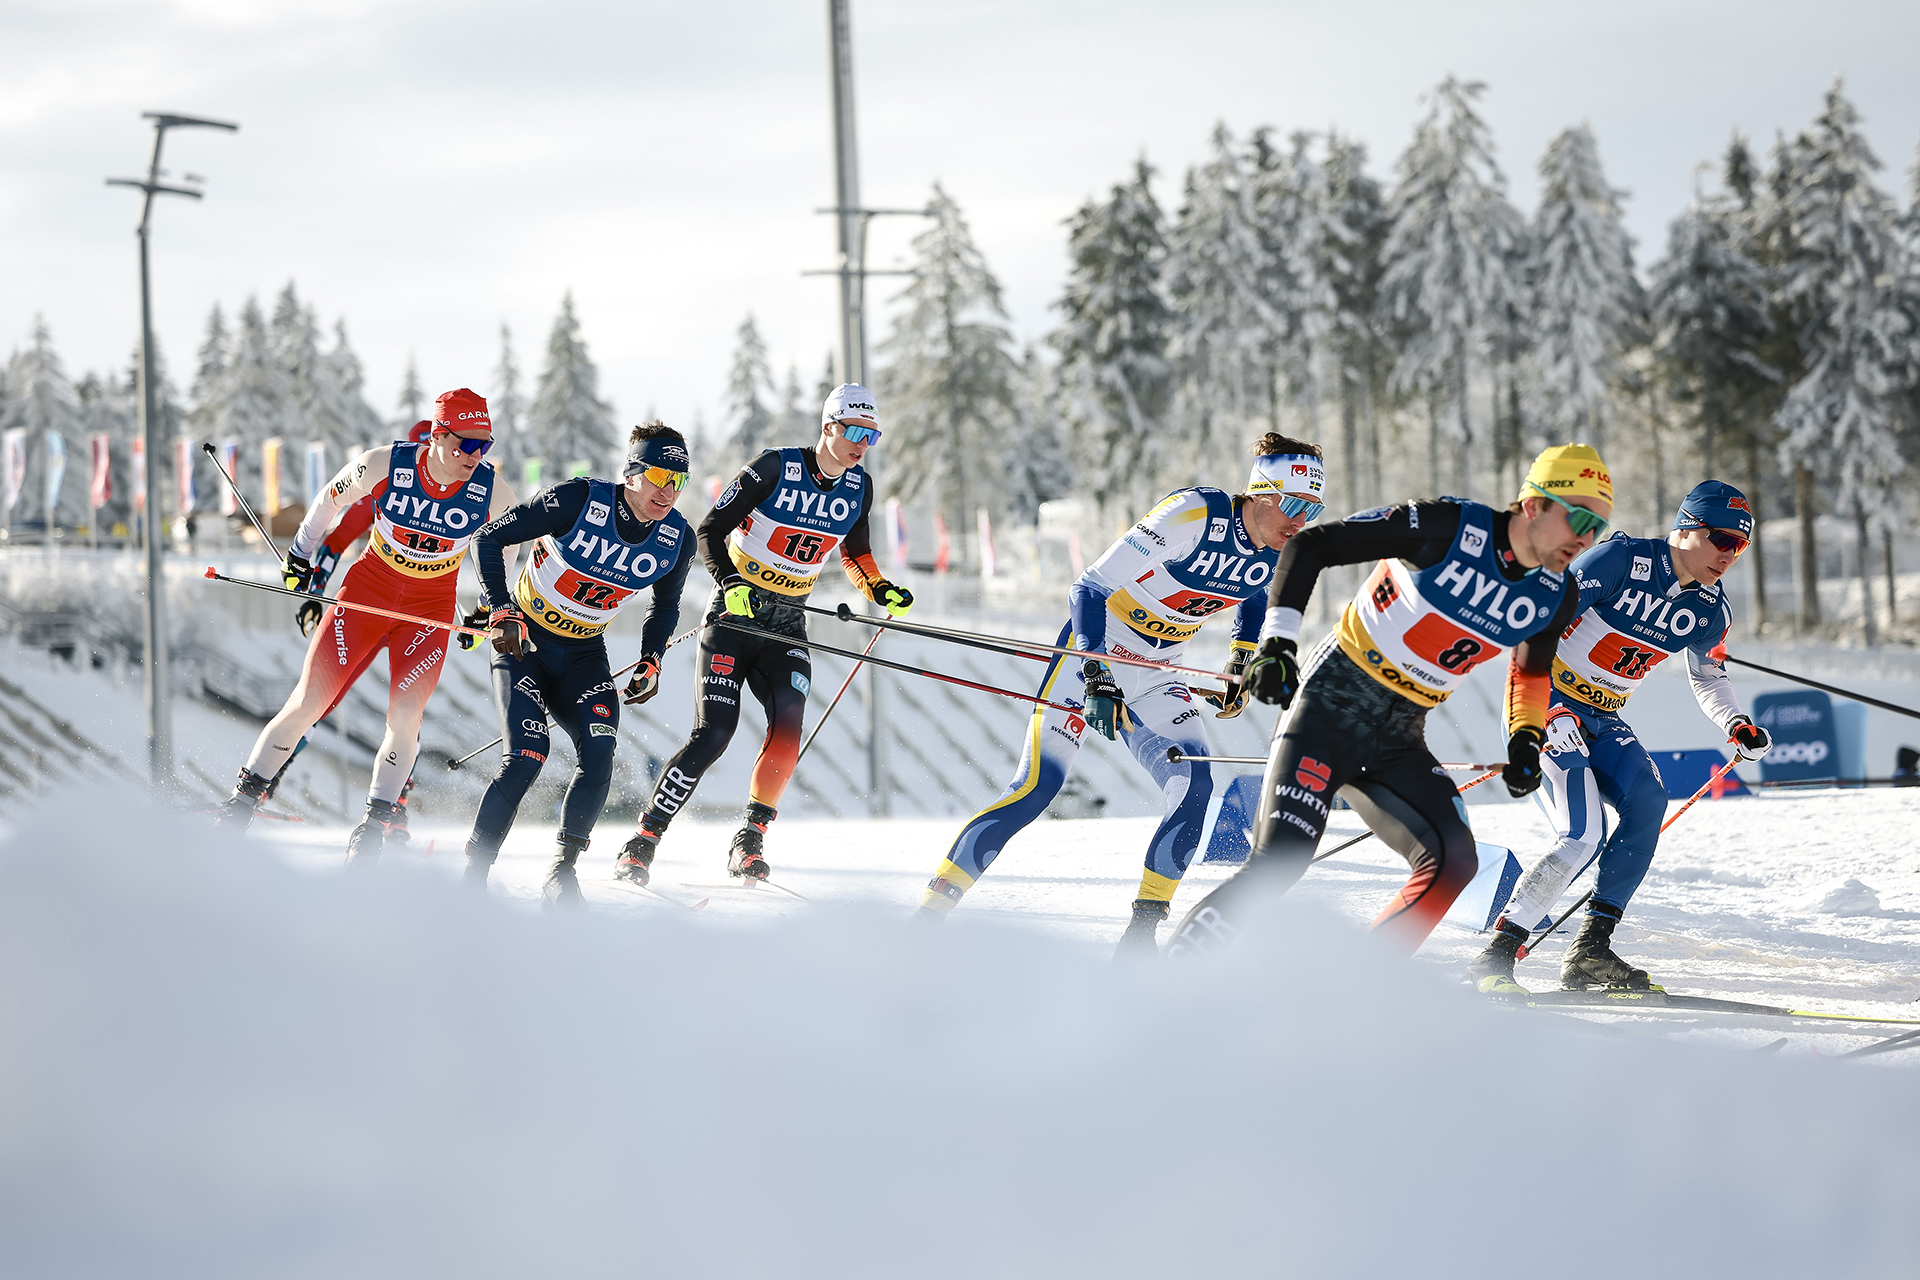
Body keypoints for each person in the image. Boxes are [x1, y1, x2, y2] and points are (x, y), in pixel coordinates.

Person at [1166, 444, 1615, 958]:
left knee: (1453, 862)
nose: (1586, 538)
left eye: (1598, 527)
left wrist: (1526, 739)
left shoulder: (1557, 594)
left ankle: (1362, 982)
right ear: (1533, 505)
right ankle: (1168, 984)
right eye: (1580, 518)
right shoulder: (1450, 526)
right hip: (1328, 707)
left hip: (1399, 735)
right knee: (1279, 861)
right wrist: (1277, 644)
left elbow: (1530, 672)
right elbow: (1311, 545)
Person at [913, 434, 1328, 954]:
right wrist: (1097, 675)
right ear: (1261, 493)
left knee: (1196, 787)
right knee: (1036, 788)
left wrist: (1240, 660)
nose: (1301, 520)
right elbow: (1088, 587)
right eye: (1293, 503)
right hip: (1096, 651)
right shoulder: (1194, 514)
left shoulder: (1278, 547)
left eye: (1313, 509)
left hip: (1158, 670)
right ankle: (927, 918)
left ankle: (1141, 935)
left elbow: (1254, 592)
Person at [1467, 481, 1773, 992]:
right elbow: (1542, 618)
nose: (1729, 555)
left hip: (1603, 716)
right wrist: (1544, 705)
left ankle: (1591, 948)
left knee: (1649, 800)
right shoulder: (1620, 560)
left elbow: (1708, 676)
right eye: (1722, 539)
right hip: (1546, 701)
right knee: (1583, 833)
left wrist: (1735, 723)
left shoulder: (1711, 611)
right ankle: (1497, 954)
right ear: (1687, 528)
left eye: (1740, 546)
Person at [613, 384, 910, 885]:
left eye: (872, 436)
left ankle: (749, 842)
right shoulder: (775, 467)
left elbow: (856, 554)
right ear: (829, 427)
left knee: (788, 733)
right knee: (714, 734)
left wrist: (879, 587)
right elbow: (709, 530)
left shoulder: (860, 487)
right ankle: (643, 840)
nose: (863, 445)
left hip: (788, 625)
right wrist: (731, 584)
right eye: (855, 432)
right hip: (734, 619)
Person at [217, 389, 516, 861]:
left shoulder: (494, 492)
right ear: (438, 435)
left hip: (429, 609)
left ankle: (377, 823)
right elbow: (328, 500)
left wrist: (486, 606)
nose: (477, 456)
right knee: (309, 701)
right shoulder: (384, 465)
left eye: (486, 445)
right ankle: (242, 801)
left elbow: (505, 548)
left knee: (406, 718)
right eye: (468, 444)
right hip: (367, 594)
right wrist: (300, 554)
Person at [460, 422, 697, 906]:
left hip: (583, 655)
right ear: (631, 474)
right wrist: (500, 609)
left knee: (600, 751)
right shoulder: (577, 500)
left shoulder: (678, 538)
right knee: (528, 755)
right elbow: (486, 539)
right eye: (658, 476)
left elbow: (665, 606)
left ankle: (561, 872)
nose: (668, 491)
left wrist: (651, 659)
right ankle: (473, 877)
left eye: (679, 481)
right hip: (524, 643)